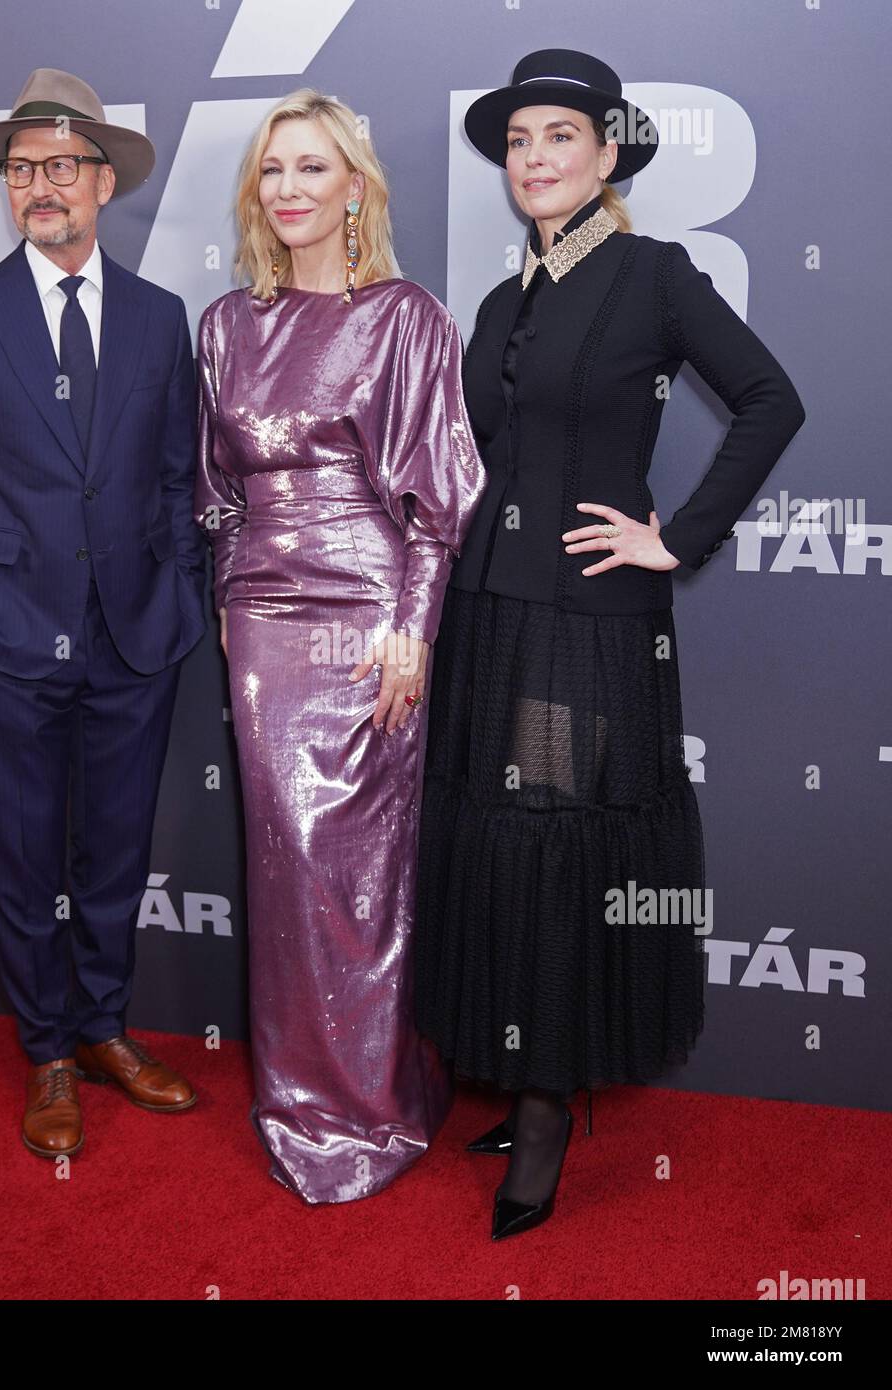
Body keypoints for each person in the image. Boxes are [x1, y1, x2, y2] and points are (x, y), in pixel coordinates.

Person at [413, 49, 806, 1240]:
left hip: (586, 629)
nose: (535, 159)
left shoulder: (652, 274)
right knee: (500, 846)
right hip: (491, 616)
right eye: (520, 141)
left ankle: (544, 1111)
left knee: (557, 854)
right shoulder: (497, 300)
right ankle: (531, 1070)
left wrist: (675, 537)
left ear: (607, 153)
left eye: (560, 138)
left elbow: (770, 398)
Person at [0, 69, 206, 1160]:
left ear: (103, 180)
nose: (40, 185)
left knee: (115, 853)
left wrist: (181, 595)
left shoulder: (165, 319)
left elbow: (179, 475)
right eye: (22, 168)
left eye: (61, 166)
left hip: (136, 638)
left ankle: (107, 1028)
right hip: (6, 639)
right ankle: (49, 1054)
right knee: (25, 858)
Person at [193, 89, 485, 1204]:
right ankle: (297, 1094)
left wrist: (412, 628)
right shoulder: (226, 326)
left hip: (371, 609)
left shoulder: (405, 317)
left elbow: (437, 501)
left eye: (314, 169)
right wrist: (229, 599)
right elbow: (215, 493)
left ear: (356, 187)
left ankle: (377, 1099)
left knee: (360, 870)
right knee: (284, 866)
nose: (292, 190)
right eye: (274, 172)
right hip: (264, 624)